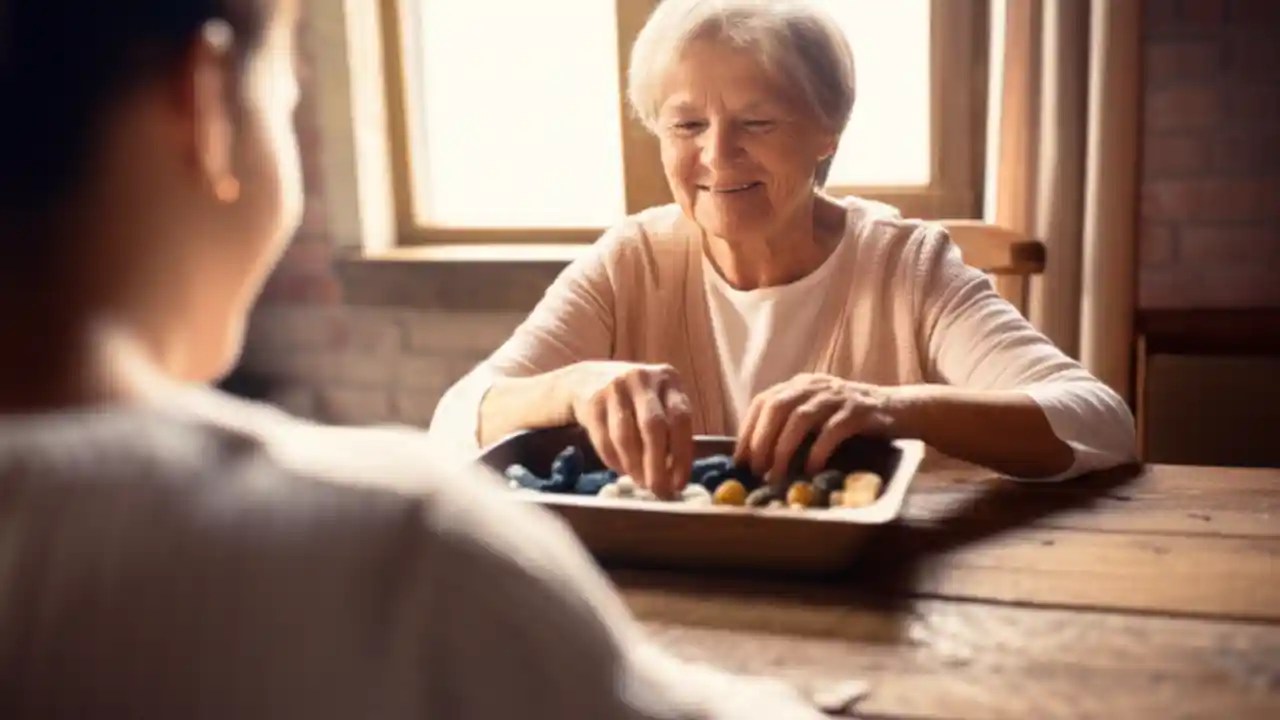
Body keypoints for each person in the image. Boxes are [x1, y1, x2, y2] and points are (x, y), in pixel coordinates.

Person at [0, 0, 826, 716]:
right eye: (283, 101)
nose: (718, 154)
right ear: (205, 102)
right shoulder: (403, 553)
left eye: (756, 122)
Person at [430, 0, 1136, 499]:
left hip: (879, 605)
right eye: (686, 125)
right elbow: (456, 421)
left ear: (828, 130)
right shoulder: (630, 261)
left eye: (757, 122)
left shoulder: (907, 266)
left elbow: (1102, 421)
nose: (717, 155)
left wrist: (891, 408)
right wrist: (572, 386)